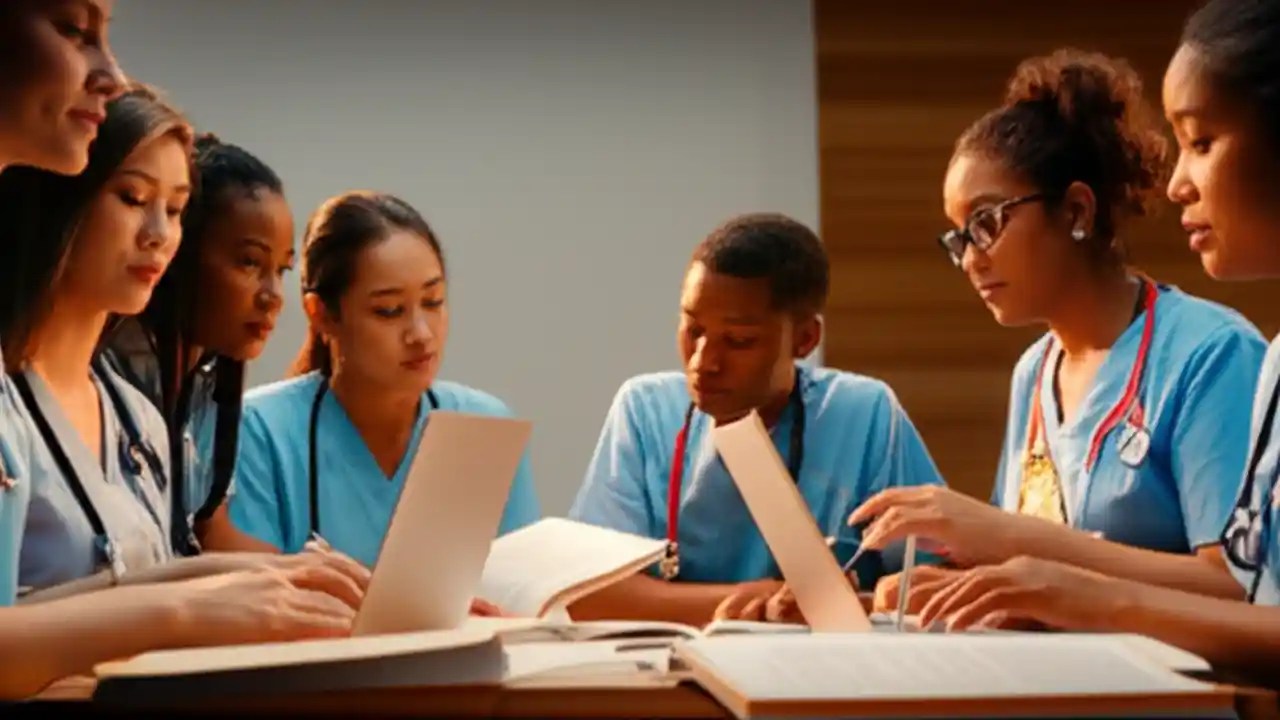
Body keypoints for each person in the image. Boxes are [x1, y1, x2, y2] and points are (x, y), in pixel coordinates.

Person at [879, 0, 1280, 679]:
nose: (972, 256)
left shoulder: (1216, 352)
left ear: (1075, 210)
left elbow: (1238, 589)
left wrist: (1050, 569)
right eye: (960, 237)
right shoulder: (1034, 372)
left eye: (988, 222)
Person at [0, 3, 359, 698]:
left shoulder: (135, 414)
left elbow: (120, 586)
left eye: (176, 208)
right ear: (57, 200)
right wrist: (187, 607)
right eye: (133, 199)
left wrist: (260, 578)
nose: (162, 235)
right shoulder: (14, 400)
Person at [565, 212, 946, 625]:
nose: (703, 361)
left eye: (739, 341)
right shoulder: (645, 410)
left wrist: (853, 602)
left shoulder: (863, 414)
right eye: (693, 328)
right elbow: (588, 594)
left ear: (804, 339)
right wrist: (763, 602)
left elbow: (936, 583)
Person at [228, 190, 542, 567]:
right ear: (322, 315)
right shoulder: (259, 432)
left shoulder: (486, 425)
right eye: (389, 310)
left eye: (434, 301)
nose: (421, 333)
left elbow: (525, 592)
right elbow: (254, 605)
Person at [102, 133, 294, 555]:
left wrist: (324, 579)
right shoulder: (110, 378)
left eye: (282, 269)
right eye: (249, 262)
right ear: (180, 250)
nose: (273, 294)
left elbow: (207, 532)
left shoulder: (209, 379)